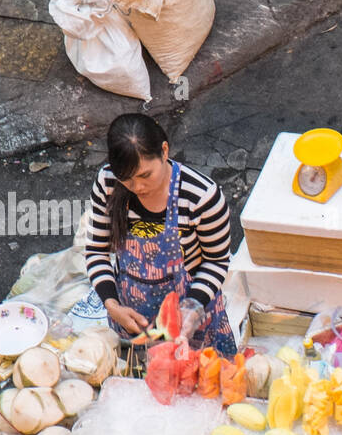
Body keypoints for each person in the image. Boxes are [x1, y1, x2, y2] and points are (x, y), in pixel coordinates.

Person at [85, 113, 237, 357]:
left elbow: (217, 261)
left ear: (164, 151)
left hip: (193, 321)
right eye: (127, 179)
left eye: (145, 175)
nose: (138, 188)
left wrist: (191, 308)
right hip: (131, 317)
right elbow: (96, 251)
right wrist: (111, 304)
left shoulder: (201, 196)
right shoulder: (108, 182)